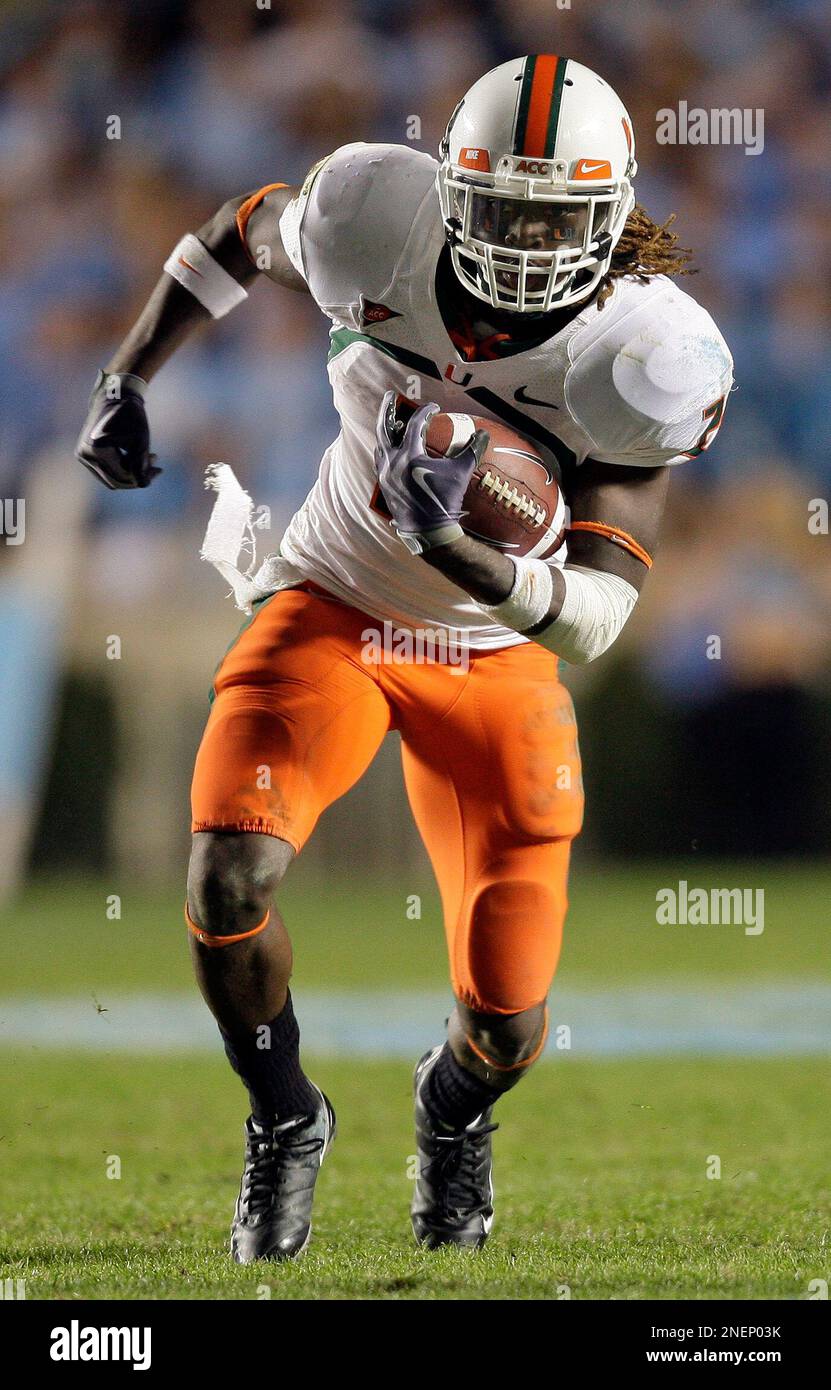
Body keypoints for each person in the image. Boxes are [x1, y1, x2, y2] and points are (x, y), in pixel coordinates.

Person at [76, 55, 733, 1261]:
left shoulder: (642, 358)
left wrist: (461, 548)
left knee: (511, 1024)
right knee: (226, 877)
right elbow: (240, 232)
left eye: (557, 214)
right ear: (449, 187)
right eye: (504, 208)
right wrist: (127, 375)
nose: (529, 243)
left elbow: (592, 615)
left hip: (496, 653)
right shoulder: (373, 214)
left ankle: (450, 1110)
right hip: (332, 595)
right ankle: (286, 1119)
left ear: (614, 210)